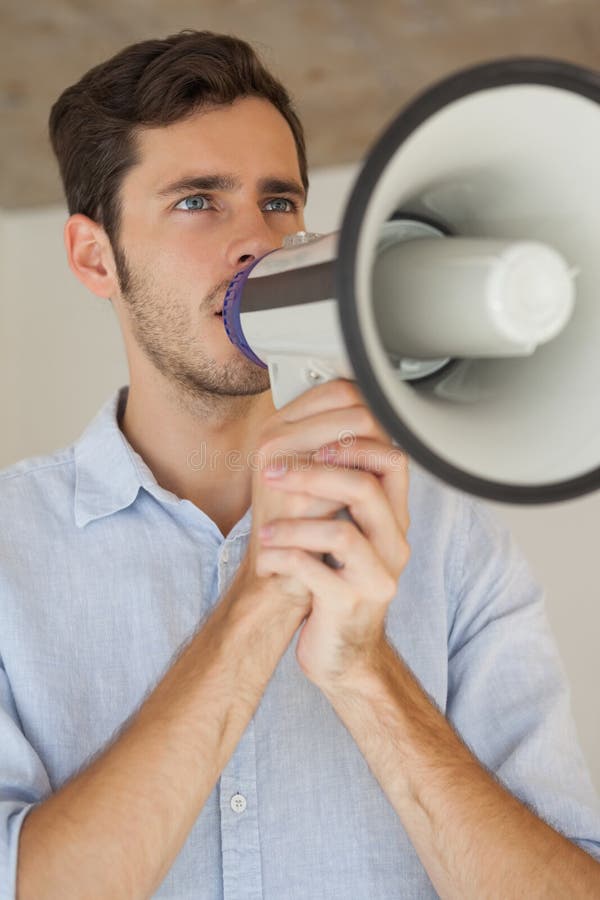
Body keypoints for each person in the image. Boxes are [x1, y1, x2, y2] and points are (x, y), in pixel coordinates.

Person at [1, 29, 599, 900]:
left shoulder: (449, 543)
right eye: (198, 202)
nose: (259, 242)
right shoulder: (9, 551)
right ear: (96, 257)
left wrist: (365, 672)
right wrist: (262, 599)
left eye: (279, 202)